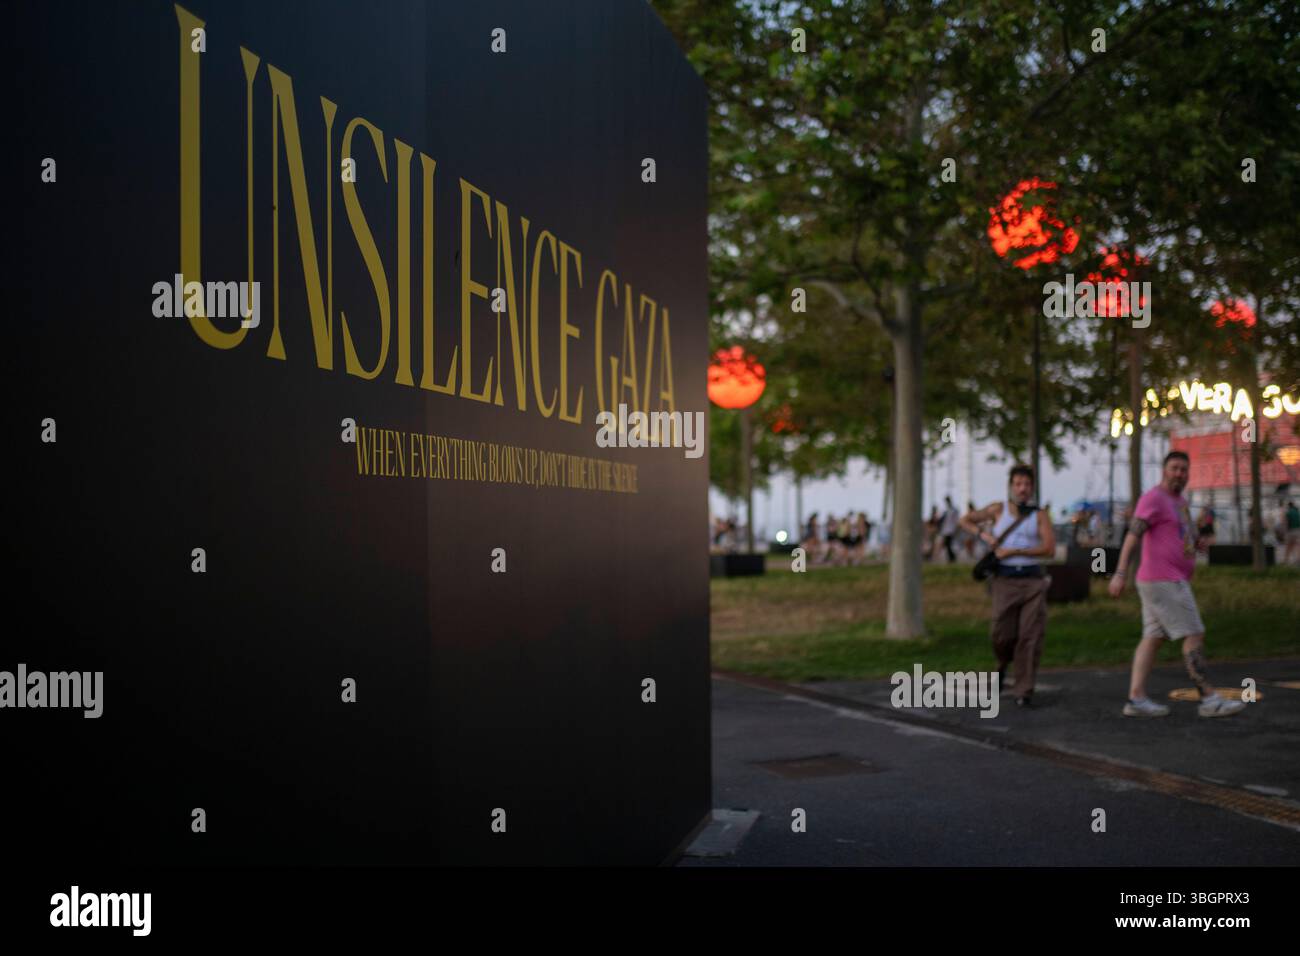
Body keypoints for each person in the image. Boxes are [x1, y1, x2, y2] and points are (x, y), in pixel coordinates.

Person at [1108, 451, 1244, 718]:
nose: (1179, 473)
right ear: (1164, 470)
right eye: (1174, 468)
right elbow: (1132, 536)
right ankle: (1209, 699)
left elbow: (1184, 538)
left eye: (1183, 469)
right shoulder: (1153, 499)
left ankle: (1136, 699)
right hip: (1163, 580)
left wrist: (1197, 545)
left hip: (1163, 580)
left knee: (1153, 637)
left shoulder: (1179, 502)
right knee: (1194, 633)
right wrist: (1120, 572)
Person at [959, 464, 1056, 707]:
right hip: (1005, 580)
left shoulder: (1039, 515)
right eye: (1018, 484)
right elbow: (966, 520)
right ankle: (1002, 664)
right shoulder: (998, 509)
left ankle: (1023, 689)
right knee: (1001, 633)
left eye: (1027, 485)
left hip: (1032, 580)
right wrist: (985, 535)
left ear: (1032, 487)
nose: (1022, 489)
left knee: (1029, 635)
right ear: (1011, 486)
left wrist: (1017, 551)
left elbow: (1049, 548)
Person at [940, 496, 959, 563]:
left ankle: (952, 557)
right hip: (946, 530)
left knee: (949, 544)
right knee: (947, 544)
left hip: (951, 530)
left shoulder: (954, 510)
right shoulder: (945, 510)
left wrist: (955, 529)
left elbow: (956, 520)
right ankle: (951, 557)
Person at [1285, 500, 1300, 565]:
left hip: (1291, 530)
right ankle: (1298, 559)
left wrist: (1286, 531)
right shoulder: (1297, 512)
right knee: (1297, 545)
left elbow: (1287, 522)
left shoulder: (1288, 513)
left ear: (1289, 506)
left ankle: (1286, 560)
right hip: (1298, 530)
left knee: (1289, 545)